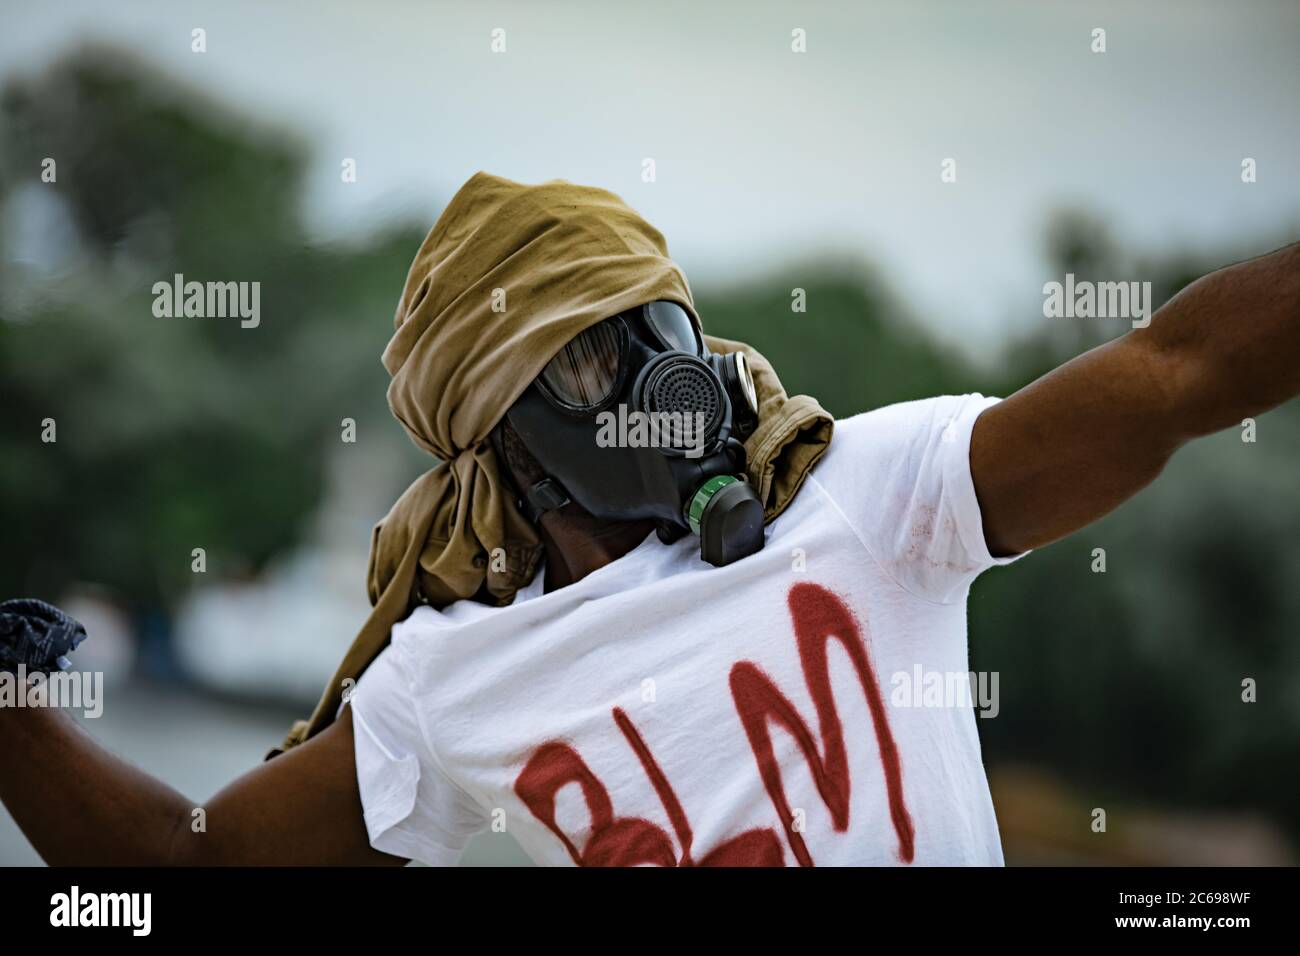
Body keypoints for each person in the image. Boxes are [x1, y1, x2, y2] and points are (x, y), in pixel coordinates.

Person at [1, 173, 1297, 866]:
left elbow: (1179, 374)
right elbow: (191, 871)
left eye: (660, 331)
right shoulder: (455, 676)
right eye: (591, 359)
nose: (656, 382)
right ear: (506, 433)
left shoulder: (875, 494)